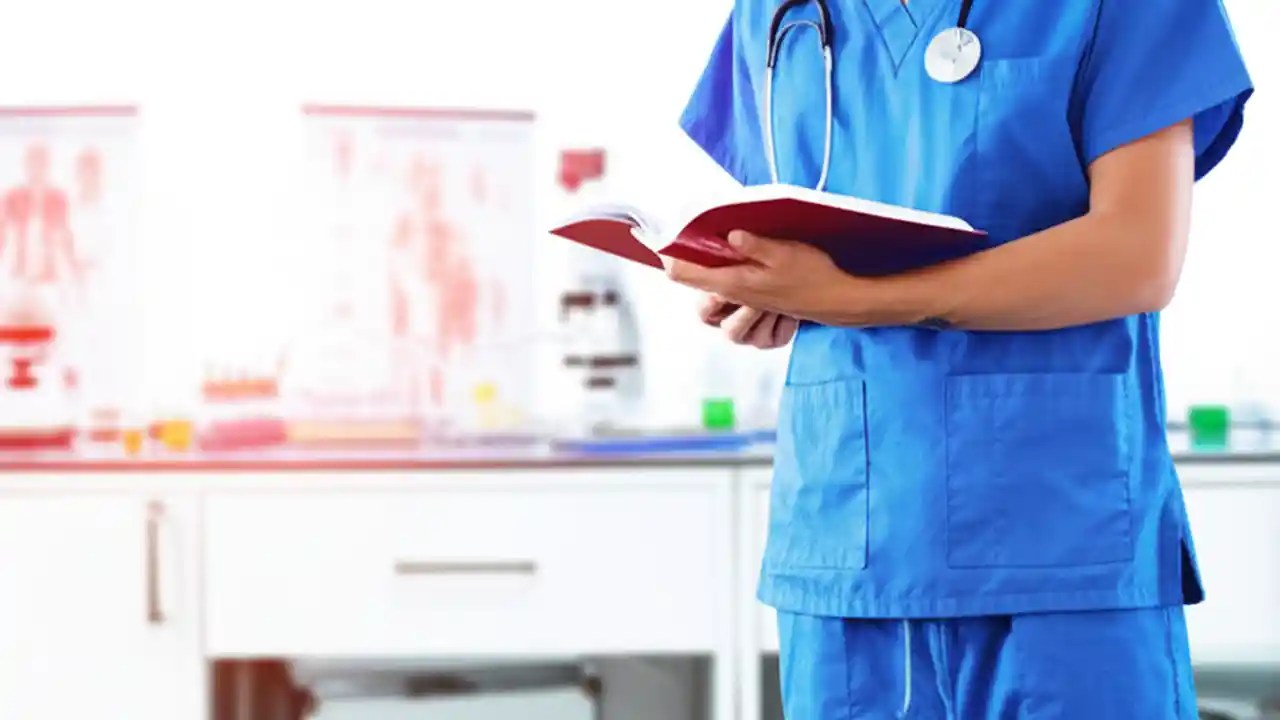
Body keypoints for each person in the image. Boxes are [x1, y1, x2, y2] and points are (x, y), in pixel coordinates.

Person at [671, 0, 1253, 717]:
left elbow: (1136, 256)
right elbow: (814, 232)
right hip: (846, 539)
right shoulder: (778, 13)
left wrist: (857, 299)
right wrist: (767, 288)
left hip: (1060, 545)